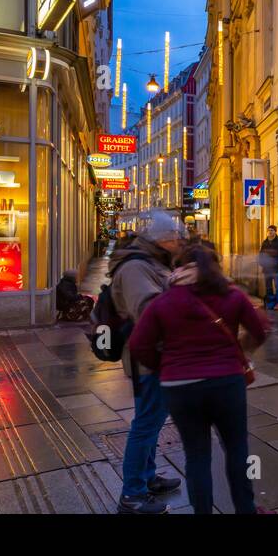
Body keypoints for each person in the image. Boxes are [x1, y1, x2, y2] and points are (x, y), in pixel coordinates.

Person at [130, 245, 272, 515]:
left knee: (196, 455)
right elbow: (260, 329)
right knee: (236, 448)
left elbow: (139, 345)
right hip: (226, 382)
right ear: (216, 266)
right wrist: (240, 351)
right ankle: (245, 509)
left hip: (179, 388)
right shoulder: (232, 295)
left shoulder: (164, 301)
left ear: (181, 268)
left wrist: (165, 366)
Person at [109, 210, 183, 514]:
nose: (180, 241)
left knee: (150, 422)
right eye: (176, 236)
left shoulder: (151, 263)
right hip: (148, 358)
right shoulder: (136, 267)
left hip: (157, 356)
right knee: (146, 424)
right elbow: (151, 312)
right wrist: (182, 288)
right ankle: (132, 495)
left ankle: (147, 477)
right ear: (162, 240)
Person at [259, 225, 278, 310]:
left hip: (275, 269)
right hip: (266, 269)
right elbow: (261, 254)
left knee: (277, 286)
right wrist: (262, 262)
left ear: (275, 231)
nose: (270, 232)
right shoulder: (265, 242)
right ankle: (270, 303)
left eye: (272, 230)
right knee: (268, 287)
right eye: (269, 230)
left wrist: (276, 262)